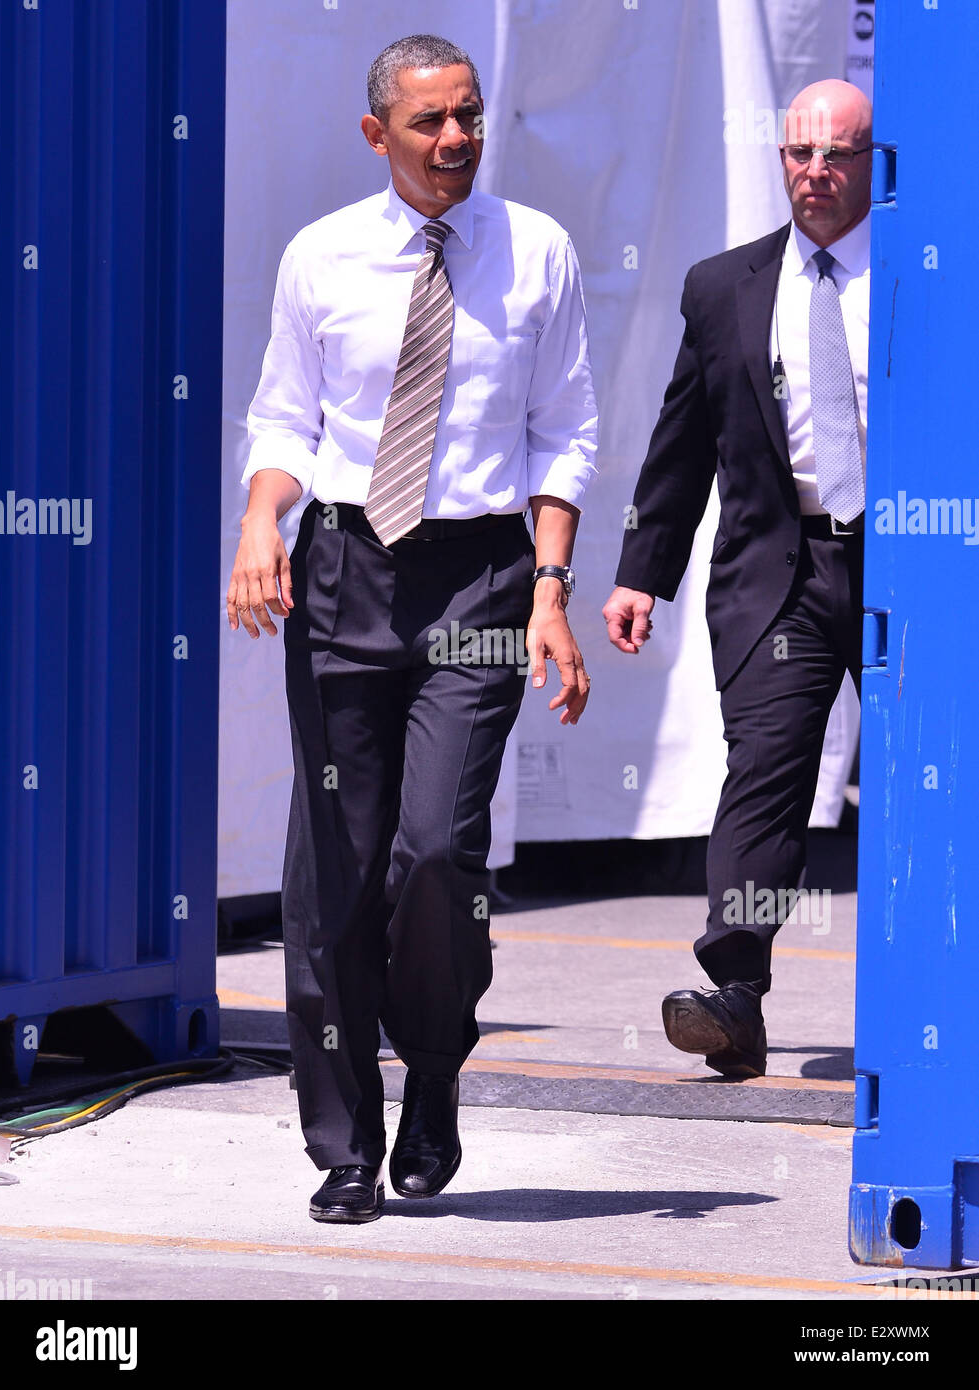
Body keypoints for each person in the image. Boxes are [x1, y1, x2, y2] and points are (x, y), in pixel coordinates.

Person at [227, 34, 596, 1222]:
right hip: (342, 575)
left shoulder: (534, 251)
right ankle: (344, 1142)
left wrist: (550, 588)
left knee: (437, 850)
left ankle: (433, 1066)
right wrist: (259, 526)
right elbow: (283, 414)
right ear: (377, 133)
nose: (456, 143)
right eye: (430, 123)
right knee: (332, 866)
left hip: (482, 583)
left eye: (471, 117)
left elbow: (567, 433)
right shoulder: (320, 256)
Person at [603, 79, 871, 1079]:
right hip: (783, 568)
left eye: (836, 154)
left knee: (939, 774)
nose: (814, 172)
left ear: (871, 160)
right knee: (764, 776)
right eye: (799, 153)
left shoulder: (928, 272)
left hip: (911, 564)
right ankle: (735, 991)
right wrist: (642, 574)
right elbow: (682, 447)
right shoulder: (724, 288)